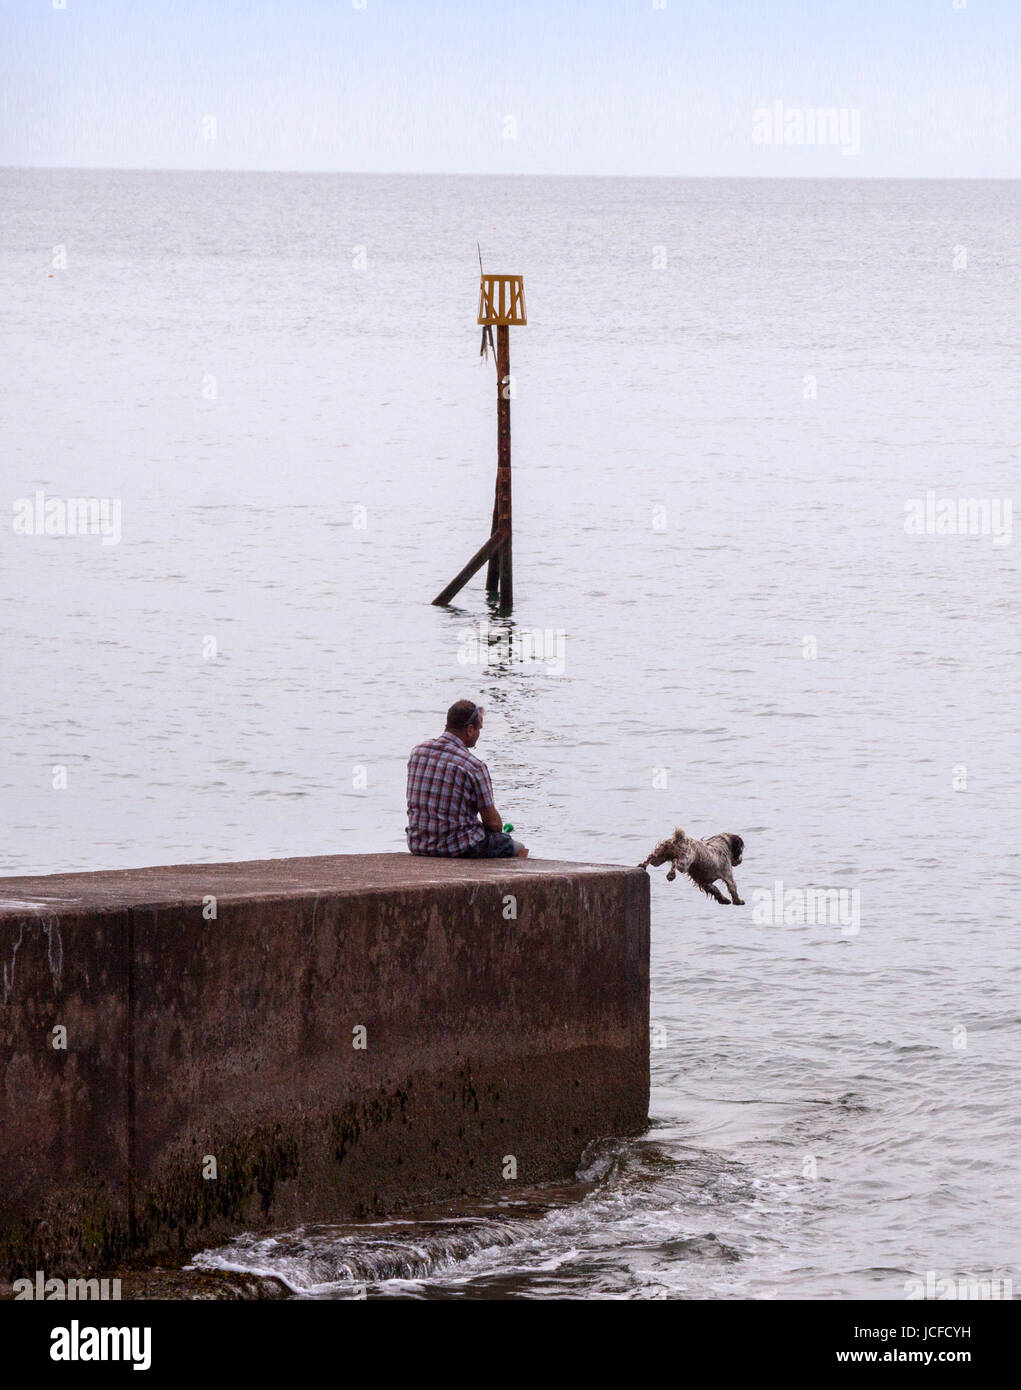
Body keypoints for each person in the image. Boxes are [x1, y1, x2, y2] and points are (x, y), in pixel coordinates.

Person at [406, 700, 528, 858]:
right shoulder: (474, 766)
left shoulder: (418, 753)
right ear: (470, 729)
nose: (479, 734)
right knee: (517, 847)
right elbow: (493, 824)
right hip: (457, 848)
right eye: (479, 729)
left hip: (418, 845)